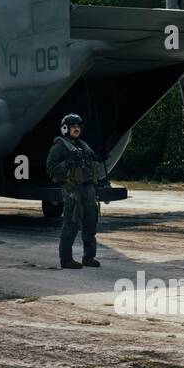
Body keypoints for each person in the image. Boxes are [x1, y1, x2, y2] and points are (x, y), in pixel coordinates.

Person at [46, 113, 106, 268]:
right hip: (73, 190)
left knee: (91, 225)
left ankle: (88, 257)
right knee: (71, 225)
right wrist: (67, 164)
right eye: (73, 126)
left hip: (89, 189)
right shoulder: (60, 147)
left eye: (79, 126)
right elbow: (51, 168)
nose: (77, 129)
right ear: (65, 128)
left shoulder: (83, 145)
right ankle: (66, 260)